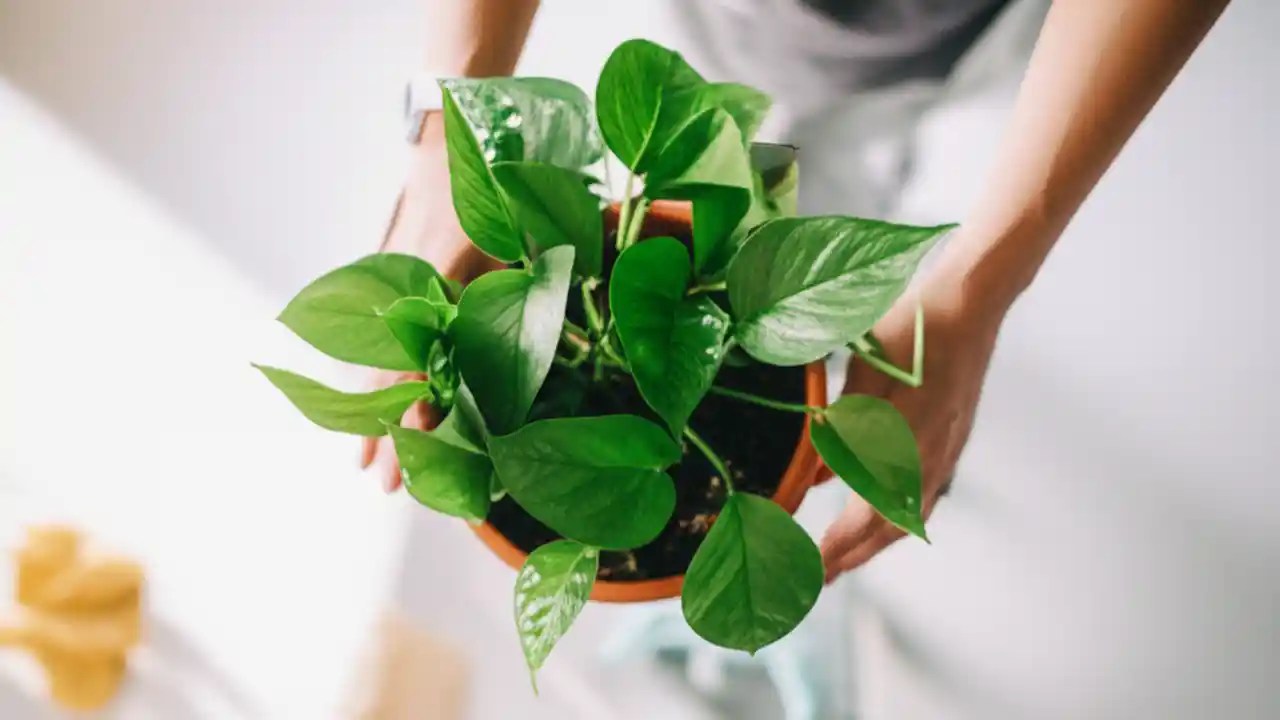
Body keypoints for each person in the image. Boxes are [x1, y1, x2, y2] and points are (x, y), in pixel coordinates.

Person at [362, 0, 1236, 715]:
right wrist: (452, 125)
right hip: (755, 22)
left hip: (909, 31)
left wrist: (975, 290)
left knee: (816, 164)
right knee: (753, 153)